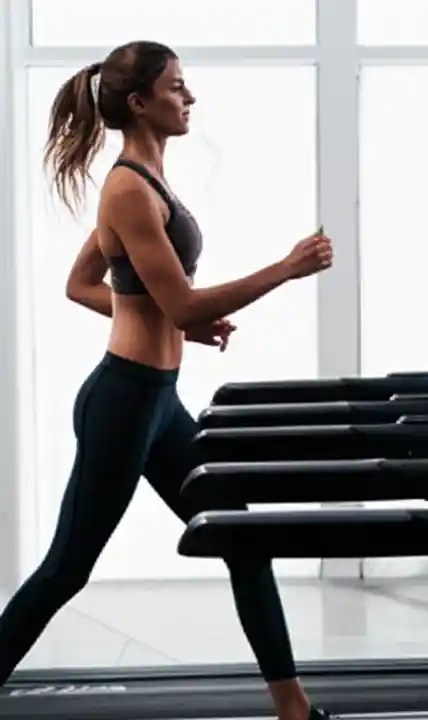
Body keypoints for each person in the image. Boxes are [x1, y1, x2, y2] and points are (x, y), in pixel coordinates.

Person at [0, 41, 339, 720]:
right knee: (67, 568)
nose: (189, 99)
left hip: (157, 400)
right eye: (178, 88)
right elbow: (180, 301)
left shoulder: (151, 181)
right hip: (123, 401)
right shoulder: (128, 188)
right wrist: (285, 269)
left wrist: (180, 327)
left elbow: (86, 285)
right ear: (139, 103)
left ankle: (295, 711)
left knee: (243, 540)